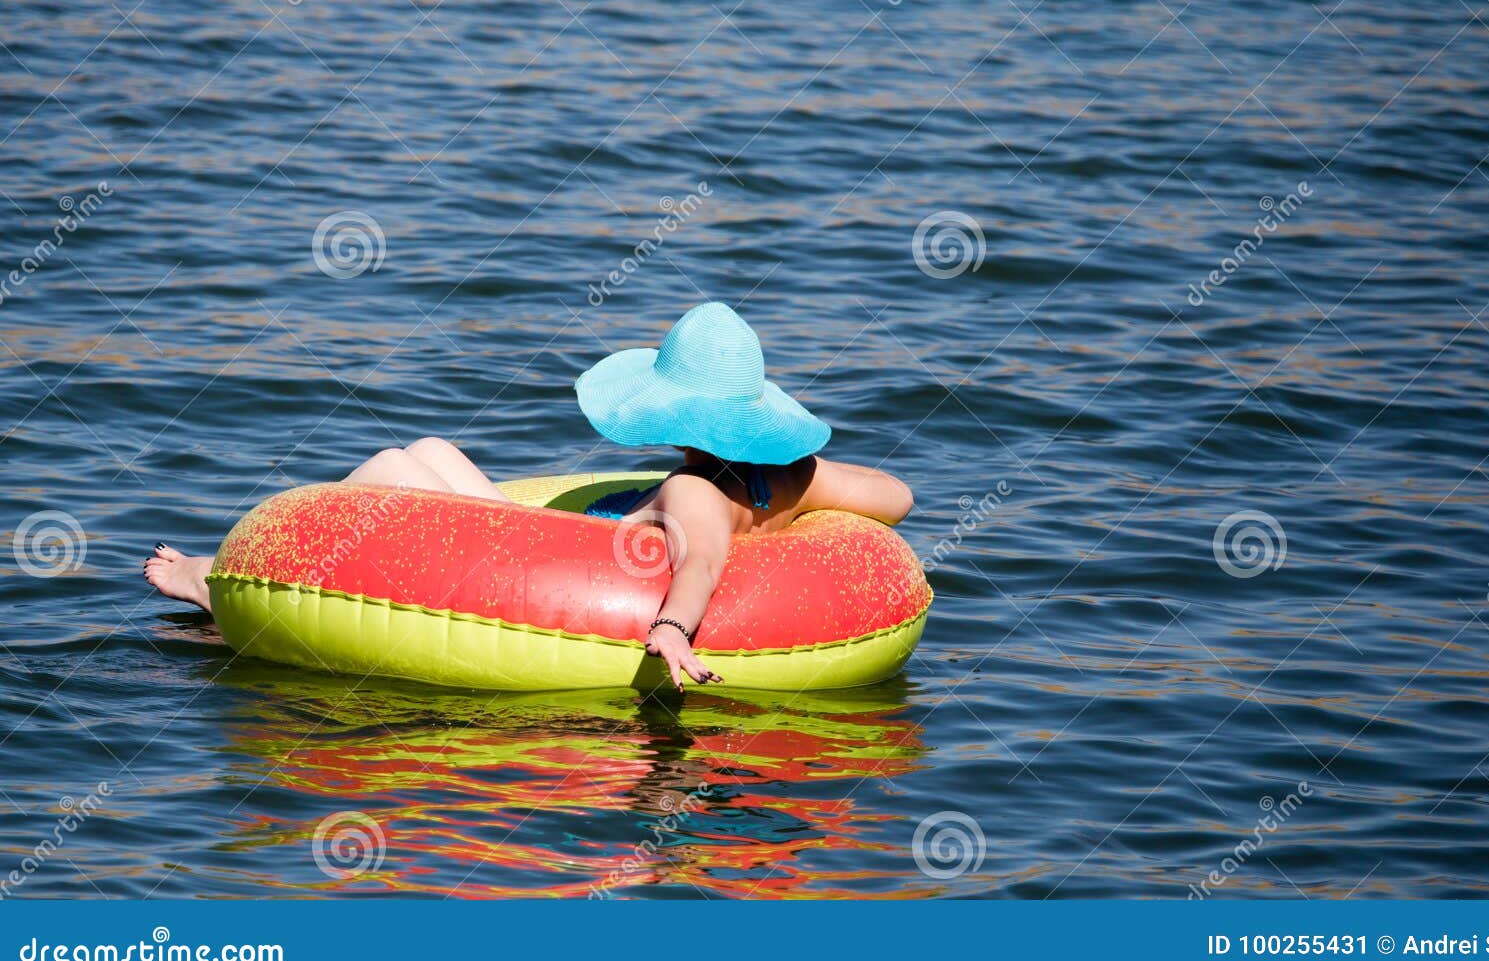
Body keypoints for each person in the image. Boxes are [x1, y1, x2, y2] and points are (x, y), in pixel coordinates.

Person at [145, 301, 913, 689]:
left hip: (525, 569)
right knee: (433, 452)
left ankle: (224, 584)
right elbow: (896, 496)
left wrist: (674, 630)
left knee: (389, 464)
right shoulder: (793, 477)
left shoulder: (692, 492)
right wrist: (793, 511)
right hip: (542, 541)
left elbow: (703, 561)